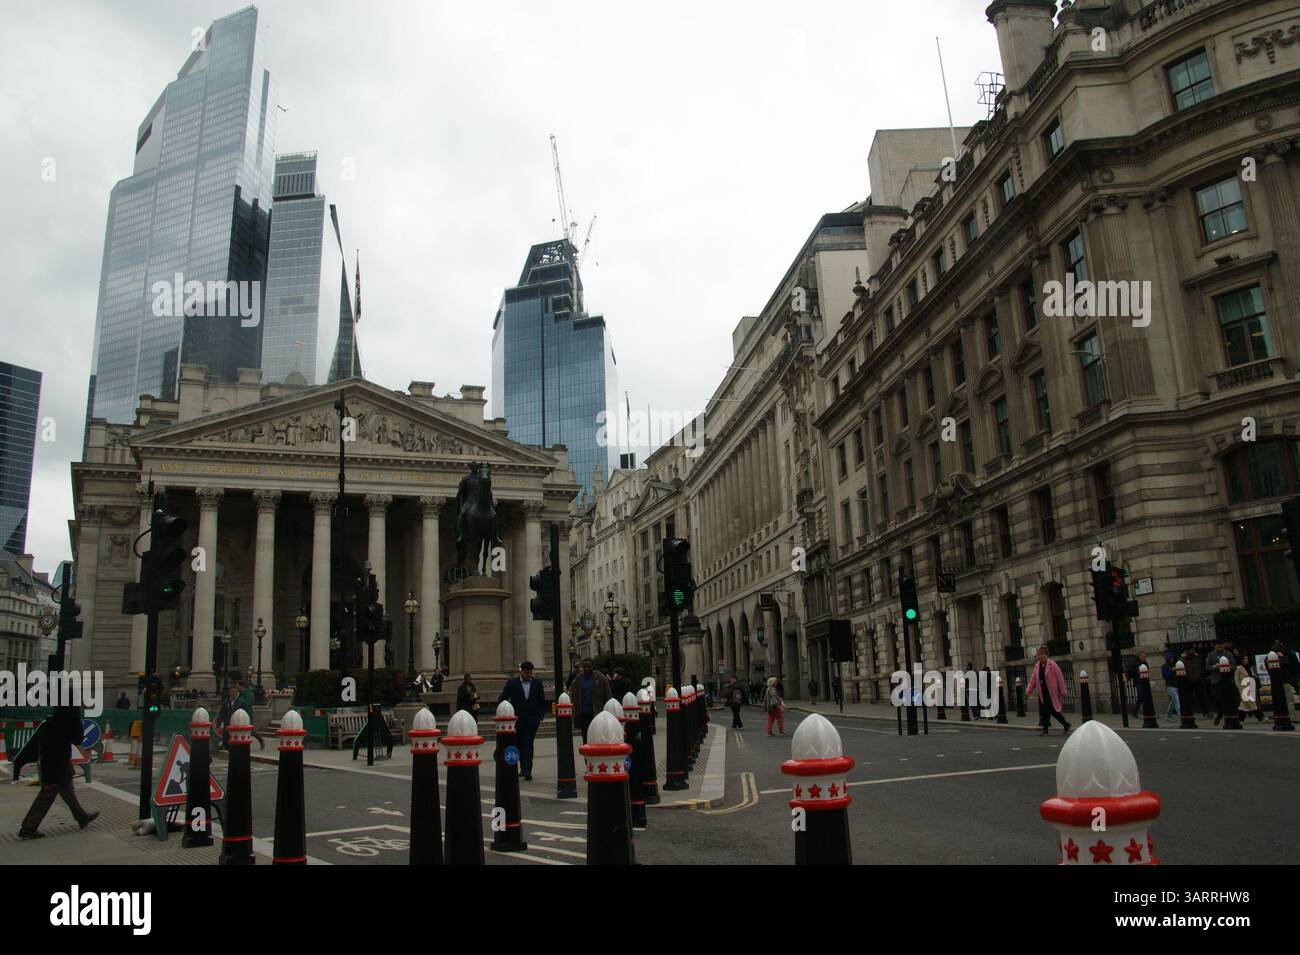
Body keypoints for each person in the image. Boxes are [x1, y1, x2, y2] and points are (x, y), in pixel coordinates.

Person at [18, 706, 99, 838]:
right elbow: (78, 738)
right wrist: (77, 717)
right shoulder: (69, 719)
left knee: (67, 788)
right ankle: (28, 827)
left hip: (52, 758)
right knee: (48, 793)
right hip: (58, 761)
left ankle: (81, 816)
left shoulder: (53, 719)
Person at [498, 661, 547, 780]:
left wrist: (540, 716)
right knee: (519, 743)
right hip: (518, 720)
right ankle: (523, 767)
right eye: (526, 672)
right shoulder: (512, 683)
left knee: (528, 743)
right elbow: (503, 698)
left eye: (530, 672)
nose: (528, 675)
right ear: (521, 671)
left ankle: (528, 770)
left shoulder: (537, 683)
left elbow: (542, 700)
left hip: (532, 719)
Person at [1025, 646, 1071, 736]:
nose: (1040, 656)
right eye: (1039, 654)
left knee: (1052, 711)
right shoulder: (1037, 666)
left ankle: (1064, 724)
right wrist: (1028, 691)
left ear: (1046, 655)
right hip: (1043, 692)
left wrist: (1063, 691)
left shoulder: (1052, 665)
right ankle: (1060, 726)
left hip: (1051, 692)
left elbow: (1059, 678)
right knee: (1046, 711)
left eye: (1042, 654)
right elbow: (1033, 679)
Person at [567, 658, 612, 742]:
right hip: (583, 714)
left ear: (593, 667)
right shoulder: (578, 679)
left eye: (589, 666)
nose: (587, 668)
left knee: (597, 738)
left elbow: (608, 696)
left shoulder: (601, 678)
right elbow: (573, 698)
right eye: (585, 666)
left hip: (597, 714)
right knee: (585, 738)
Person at [1208, 641, 1235, 724]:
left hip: (1226, 679)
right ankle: (1219, 713)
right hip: (1216, 680)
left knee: (1228, 698)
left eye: (1221, 646)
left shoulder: (1228, 654)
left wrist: (1226, 667)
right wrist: (1215, 667)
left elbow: (1234, 666)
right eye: (1218, 646)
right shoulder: (1211, 655)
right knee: (1217, 699)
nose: (1219, 648)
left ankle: (1228, 713)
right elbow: (1208, 667)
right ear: (1215, 646)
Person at [1235, 658, 1265, 723]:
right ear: (1241, 660)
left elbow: (1253, 675)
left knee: (1244, 705)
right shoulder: (1239, 668)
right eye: (1244, 659)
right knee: (1252, 703)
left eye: (1247, 658)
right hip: (1244, 687)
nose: (1246, 660)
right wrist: (1240, 688)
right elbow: (1236, 679)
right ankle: (1260, 717)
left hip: (1251, 685)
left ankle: (1240, 719)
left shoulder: (1249, 667)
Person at [1160, 651, 1180, 720]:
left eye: (1172, 658)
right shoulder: (1164, 666)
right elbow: (1164, 676)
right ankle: (1181, 715)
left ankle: (1168, 715)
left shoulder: (1175, 664)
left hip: (1176, 684)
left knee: (1173, 701)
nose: (1172, 659)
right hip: (1170, 685)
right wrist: (1171, 671)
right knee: (1177, 700)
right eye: (1170, 658)